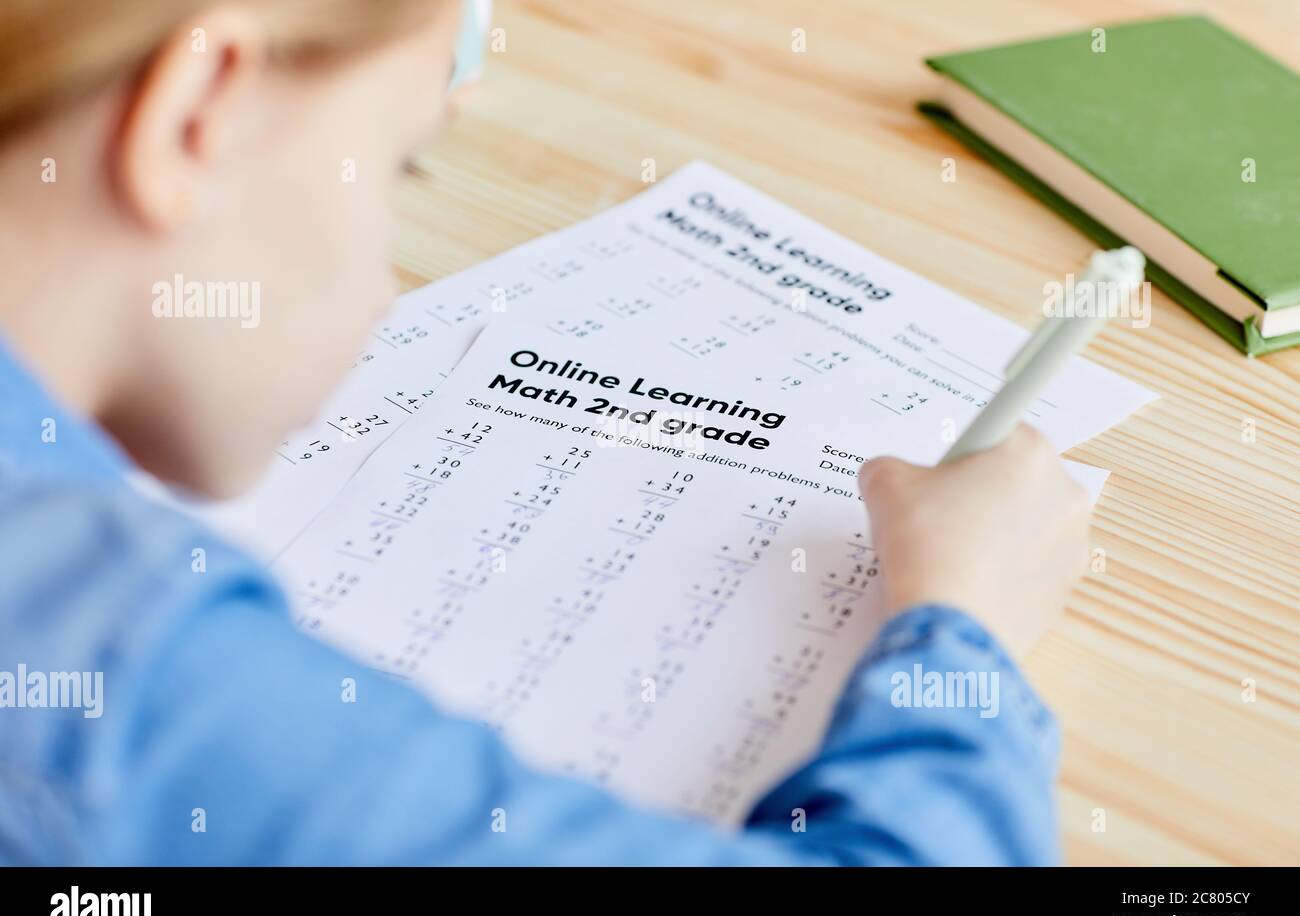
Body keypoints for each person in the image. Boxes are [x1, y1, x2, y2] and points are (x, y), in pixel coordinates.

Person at [0, 0, 1090, 865]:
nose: (389, 286)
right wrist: (962, 622)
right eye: (398, 165)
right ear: (203, 107)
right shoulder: (107, 664)